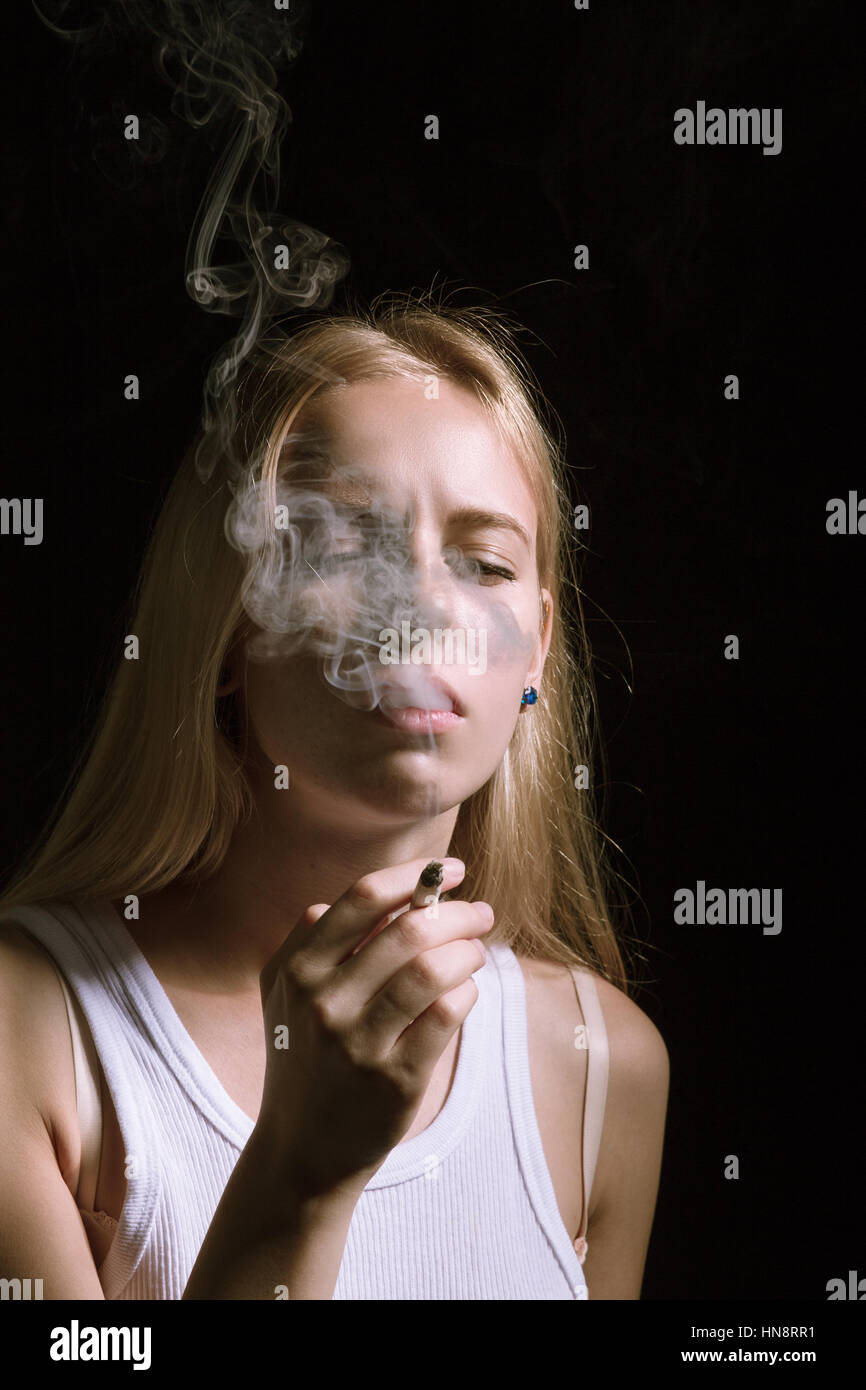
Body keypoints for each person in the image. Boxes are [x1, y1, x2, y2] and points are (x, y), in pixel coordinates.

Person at [0, 292, 668, 1300]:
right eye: (351, 544)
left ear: (532, 649)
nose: (427, 610)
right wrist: (300, 1173)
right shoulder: (29, 1028)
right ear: (224, 625)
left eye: (481, 562)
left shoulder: (600, 1066)